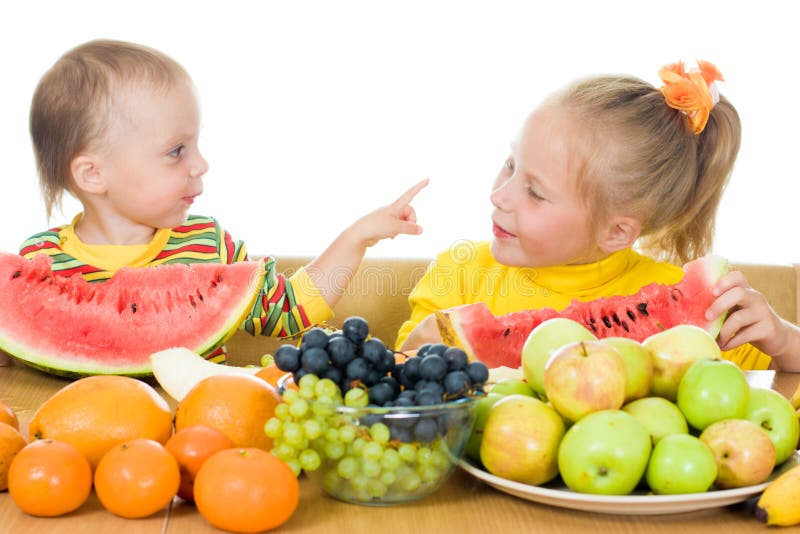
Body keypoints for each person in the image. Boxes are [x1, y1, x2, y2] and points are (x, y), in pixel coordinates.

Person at [15, 38, 426, 364]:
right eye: (176, 150)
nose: (201, 164)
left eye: (196, 144)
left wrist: (358, 237)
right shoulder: (39, 260)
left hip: (204, 435)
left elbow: (290, 310)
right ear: (93, 174)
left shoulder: (210, 245)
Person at [396, 60, 800, 372]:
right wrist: (420, 351)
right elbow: (402, 373)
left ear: (616, 232)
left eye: (535, 192)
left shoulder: (678, 304)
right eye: (510, 164)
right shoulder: (461, 275)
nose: (499, 196)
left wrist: (782, 339)